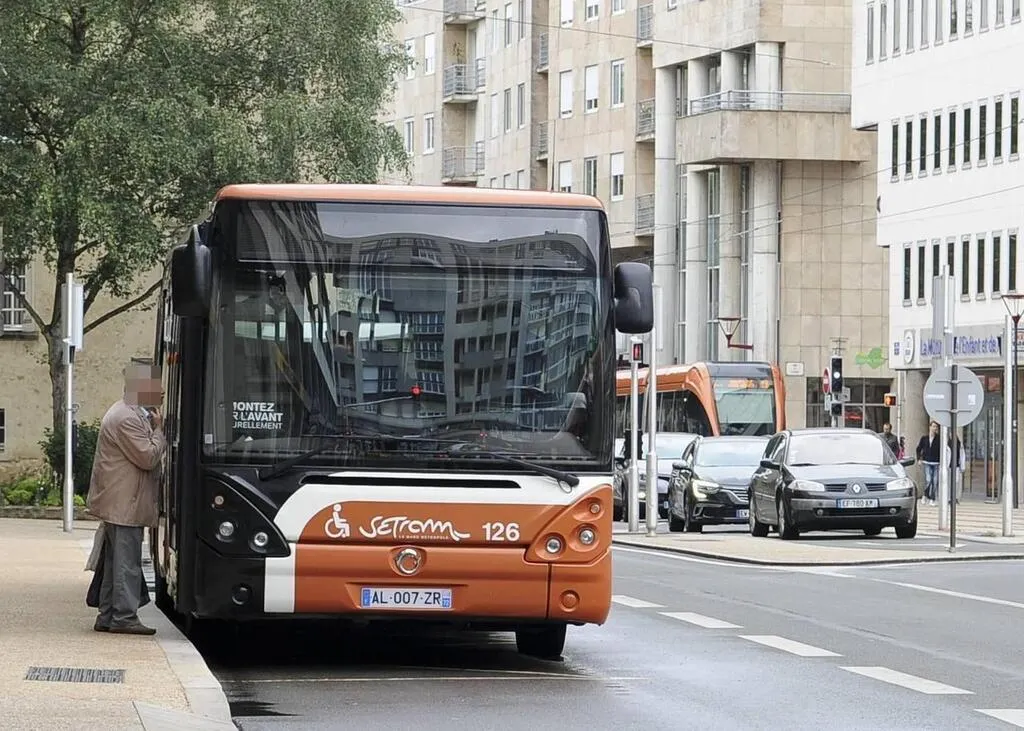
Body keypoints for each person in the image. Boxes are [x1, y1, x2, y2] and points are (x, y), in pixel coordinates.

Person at [85, 362, 167, 635]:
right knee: (126, 562)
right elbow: (148, 457)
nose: (163, 391)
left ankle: (108, 614)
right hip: (124, 503)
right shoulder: (127, 418)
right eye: (156, 386)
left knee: (114, 562)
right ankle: (124, 617)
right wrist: (159, 431)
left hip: (120, 502)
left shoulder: (126, 413)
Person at [915, 421, 941, 505]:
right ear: (930, 427)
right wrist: (919, 459)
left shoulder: (939, 439)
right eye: (933, 426)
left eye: (936, 427)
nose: (935, 428)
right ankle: (925, 495)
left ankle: (932, 498)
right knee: (928, 479)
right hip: (927, 461)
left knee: (935, 480)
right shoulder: (924, 438)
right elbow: (918, 448)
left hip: (936, 462)